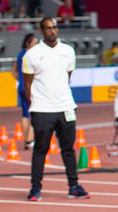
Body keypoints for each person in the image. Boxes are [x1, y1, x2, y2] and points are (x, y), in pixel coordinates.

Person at [23, 17, 88, 201]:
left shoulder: (68, 51)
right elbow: (27, 84)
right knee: (40, 150)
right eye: (48, 28)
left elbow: (67, 77)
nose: (53, 31)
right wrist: (35, 105)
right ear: (42, 31)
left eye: (55, 27)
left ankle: (74, 186)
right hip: (42, 109)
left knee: (68, 150)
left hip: (65, 107)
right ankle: (35, 188)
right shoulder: (32, 54)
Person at [13, 32, 38, 149]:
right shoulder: (32, 55)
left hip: (21, 87)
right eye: (35, 43)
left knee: (25, 114)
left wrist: (20, 79)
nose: (37, 45)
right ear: (29, 43)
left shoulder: (20, 54)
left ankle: (27, 139)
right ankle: (30, 139)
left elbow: (13, 71)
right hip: (31, 87)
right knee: (35, 113)